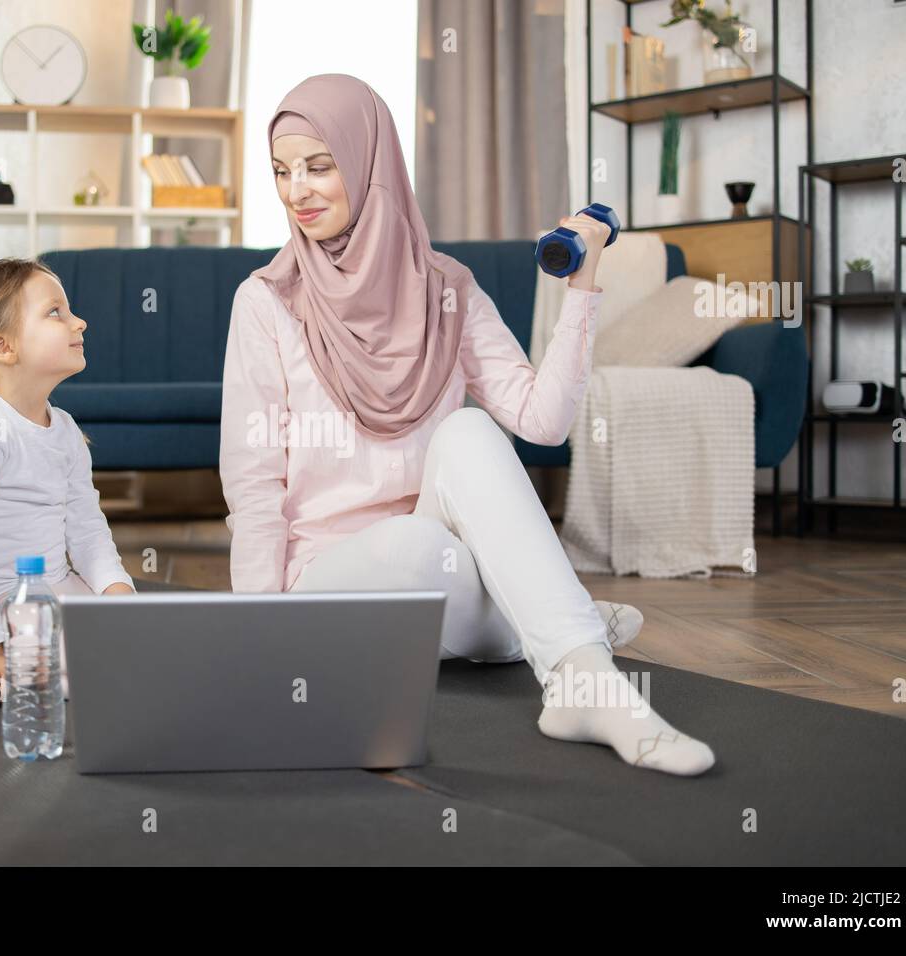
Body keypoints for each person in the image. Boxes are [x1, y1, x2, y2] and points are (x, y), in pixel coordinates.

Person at [219, 74, 714, 775]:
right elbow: (253, 485)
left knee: (472, 434)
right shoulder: (266, 301)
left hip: (439, 562)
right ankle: (548, 621)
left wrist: (583, 284)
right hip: (333, 577)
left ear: (371, 163)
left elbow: (543, 422)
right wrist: (256, 635)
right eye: (281, 171)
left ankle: (582, 681)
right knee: (414, 549)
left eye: (318, 166)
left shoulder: (447, 287)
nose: (296, 189)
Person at [0, 257, 134, 706]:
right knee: (93, 675)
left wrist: (117, 593)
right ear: (4, 347)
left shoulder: (64, 429)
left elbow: (87, 528)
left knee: (143, 649)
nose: (79, 321)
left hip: (53, 586)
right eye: (56, 312)